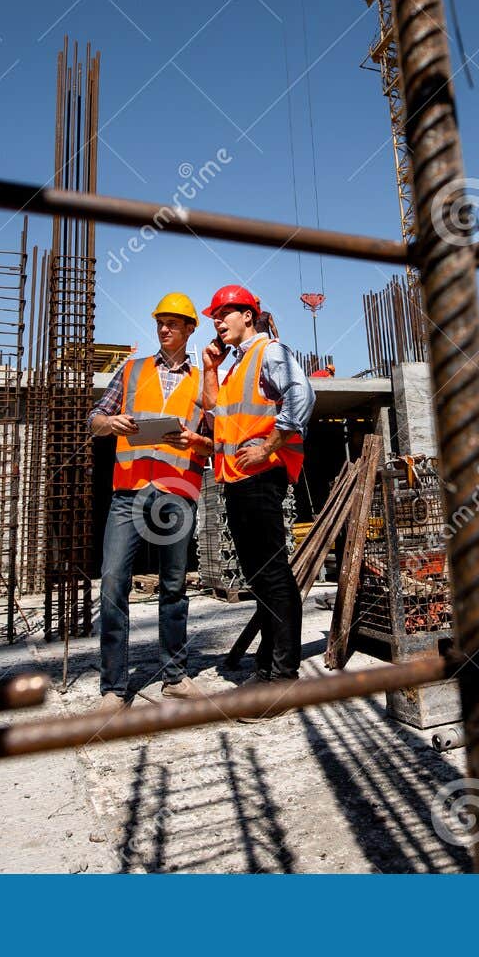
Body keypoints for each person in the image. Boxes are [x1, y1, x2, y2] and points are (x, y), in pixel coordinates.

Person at [88, 293, 213, 710]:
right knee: (112, 585)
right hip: (128, 493)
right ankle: (113, 688)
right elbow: (95, 420)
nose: (165, 328)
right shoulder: (132, 369)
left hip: (178, 493)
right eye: (161, 321)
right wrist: (111, 422)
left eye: (174, 322)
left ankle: (175, 677)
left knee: (174, 587)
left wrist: (195, 439)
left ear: (190, 329)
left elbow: (220, 443)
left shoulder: (204, 382)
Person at [200, 284, 315, 720]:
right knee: (260, 577)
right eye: (215, 315)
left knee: (272, 574)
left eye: (225, 313)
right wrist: (209, 368)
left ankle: (282, 678)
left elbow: (303, 395)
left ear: (249, 315)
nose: (217, 321)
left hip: (262, 476)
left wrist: (270, 445)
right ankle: (265, 670)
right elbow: (217, 413)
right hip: (238, 481)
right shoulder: (235, 365)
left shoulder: (270, 351)